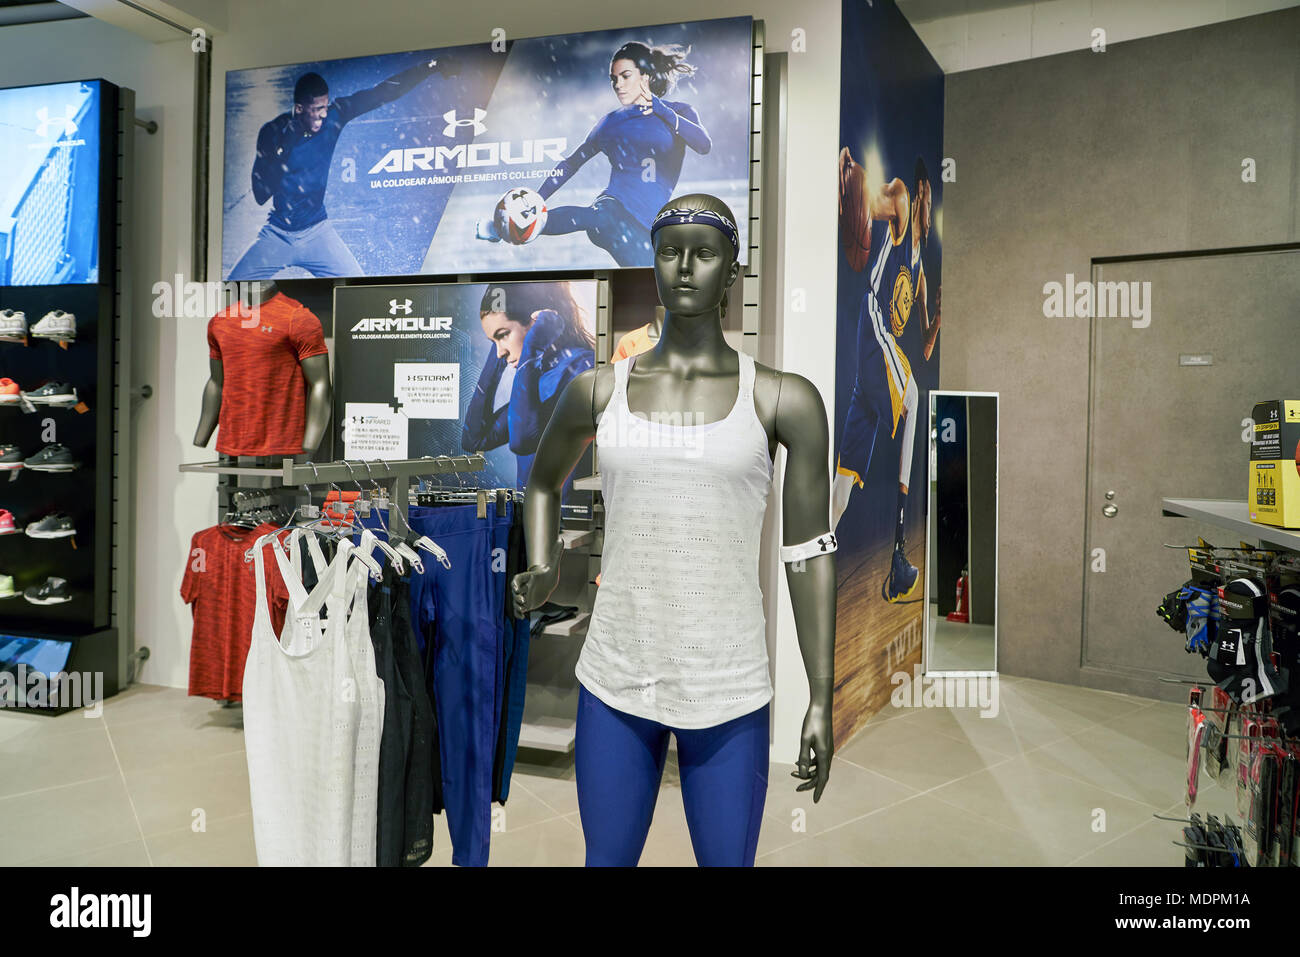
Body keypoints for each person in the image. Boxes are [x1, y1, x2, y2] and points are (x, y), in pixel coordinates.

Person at [510, 195, 837, 866]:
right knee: (606, 860)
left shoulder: (783, 398)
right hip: (616, 674)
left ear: (734, 273)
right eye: (668, 250)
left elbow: (806, 552)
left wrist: (822, 693)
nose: (685, 266)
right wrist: (543, 563)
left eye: (706, 252)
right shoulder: (599, 390)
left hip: (727, 682)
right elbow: (541, 481)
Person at [476, 41, 711, 266]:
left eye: (625, 76)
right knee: (602, 218)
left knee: (652, 274)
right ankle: (506, 226)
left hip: (645, 227)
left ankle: (509, 228)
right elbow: (572, 163)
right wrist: (538, 199)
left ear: (646, 76)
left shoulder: (680, 112)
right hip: (611, 209)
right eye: (613, 79)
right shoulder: (611, 122)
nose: (618, 84)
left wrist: (665, 112)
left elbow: (703, 145)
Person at [832, 150, 941, 603]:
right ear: (918, 194)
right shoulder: (897, 201)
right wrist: (850, 183)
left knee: (845, 476)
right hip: (872, 326)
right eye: (930, 199)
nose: (932, 211)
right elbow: (869, 201)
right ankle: (898, 550)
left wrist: (938, 319)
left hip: (876, 367)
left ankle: (820, 538)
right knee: (914, 396)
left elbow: (927, 341)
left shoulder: (919, 271)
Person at [229, 56, 450, 279]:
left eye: (325, 106)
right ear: (299, 109)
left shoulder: (334, 117)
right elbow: (260, 194)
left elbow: (381, 93)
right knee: (231, 289)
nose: (324, 113)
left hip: (317, 232)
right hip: (277, 235)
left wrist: (430, 66)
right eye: (317, 109)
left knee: (358, 290)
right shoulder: (272, 132)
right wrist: (285, 148)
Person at [463, 283, 595, 489]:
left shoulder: (582, 369)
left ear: (536, 323)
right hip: (531, 515)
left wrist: (531, 349)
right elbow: (474, 440)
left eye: (503, 334)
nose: (500, 352)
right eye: (493, 341)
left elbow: (522, 440)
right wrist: (497, 359)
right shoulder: (536, 378)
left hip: (566, 518)